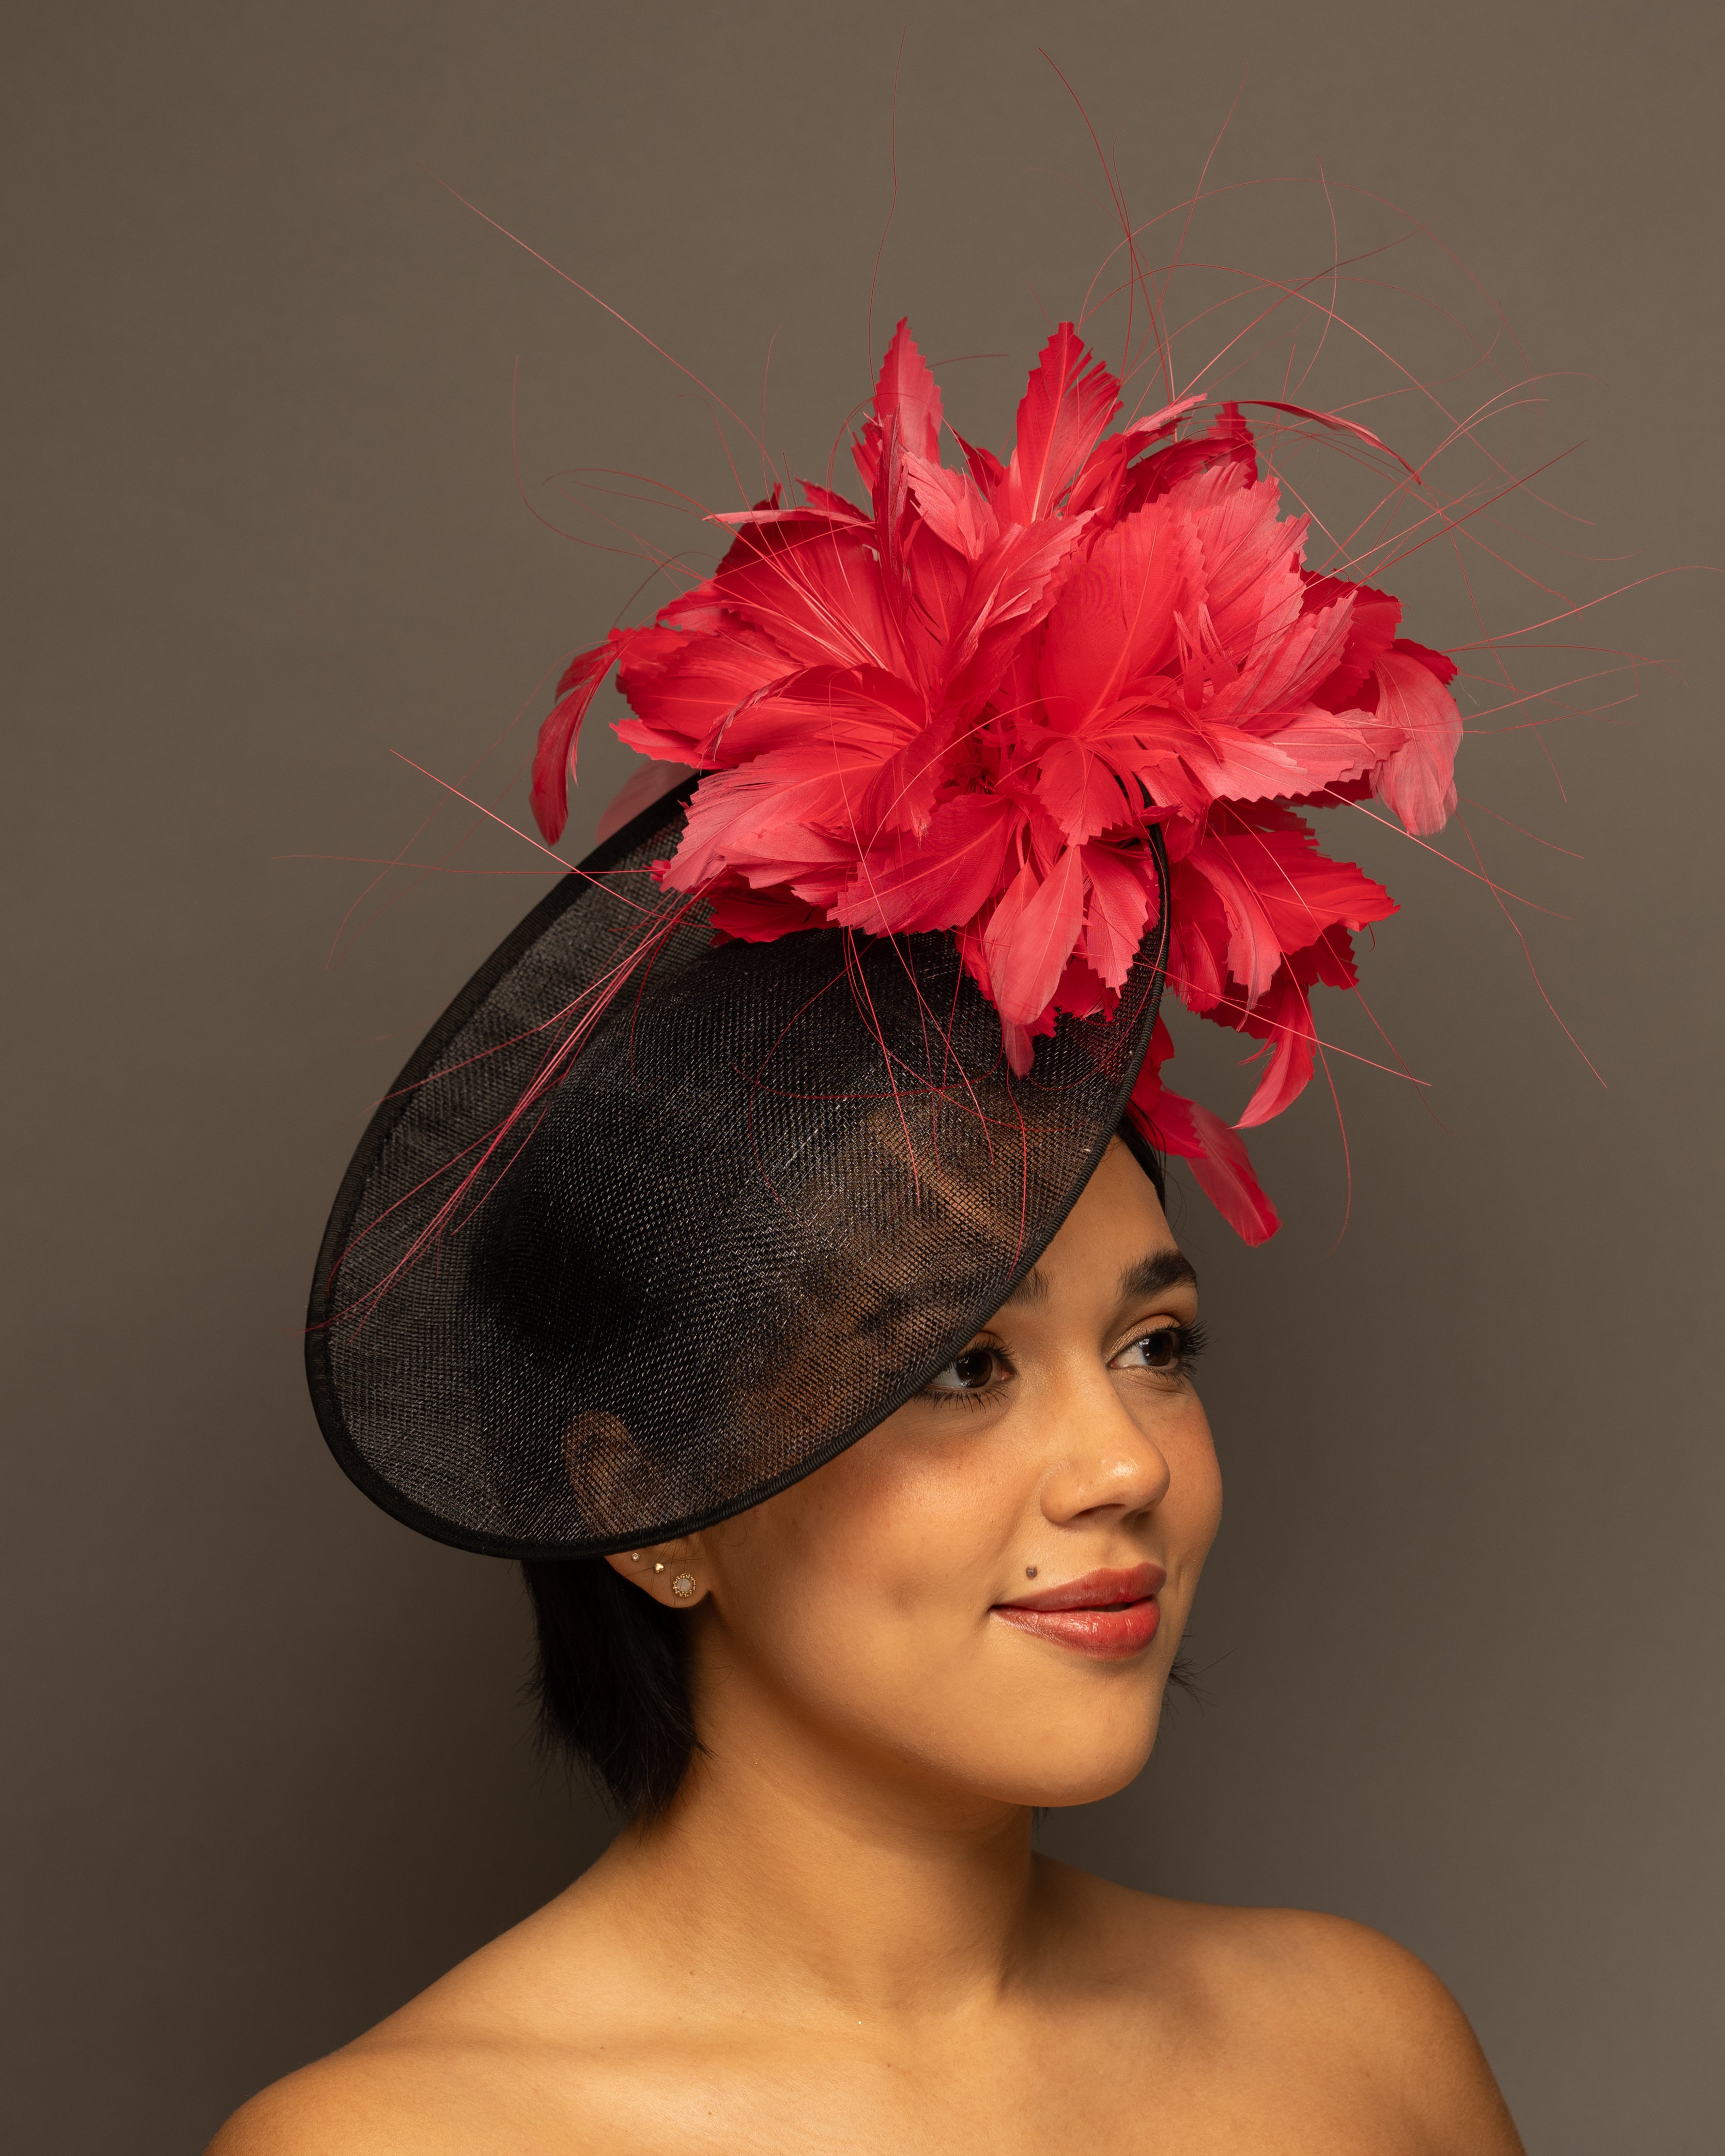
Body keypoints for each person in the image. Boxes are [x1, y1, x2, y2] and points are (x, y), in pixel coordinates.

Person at [212, 318, 1523, 2153]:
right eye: (958, 1367)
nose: (1124, 1468)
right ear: (648, 1506)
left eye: (1153, 1347)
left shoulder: (1355, 2059)